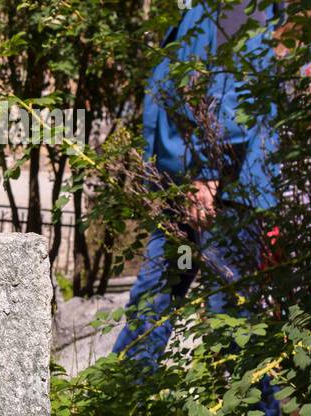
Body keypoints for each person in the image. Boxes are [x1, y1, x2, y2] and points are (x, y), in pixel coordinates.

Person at [112, 3, 279, 371]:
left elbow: (233, 91)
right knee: (155, 300)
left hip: (223, 192)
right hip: (183, 191)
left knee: (230, 318)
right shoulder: (192, 9)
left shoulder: (233, 6)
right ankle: (117, 414)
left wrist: (207, 172)